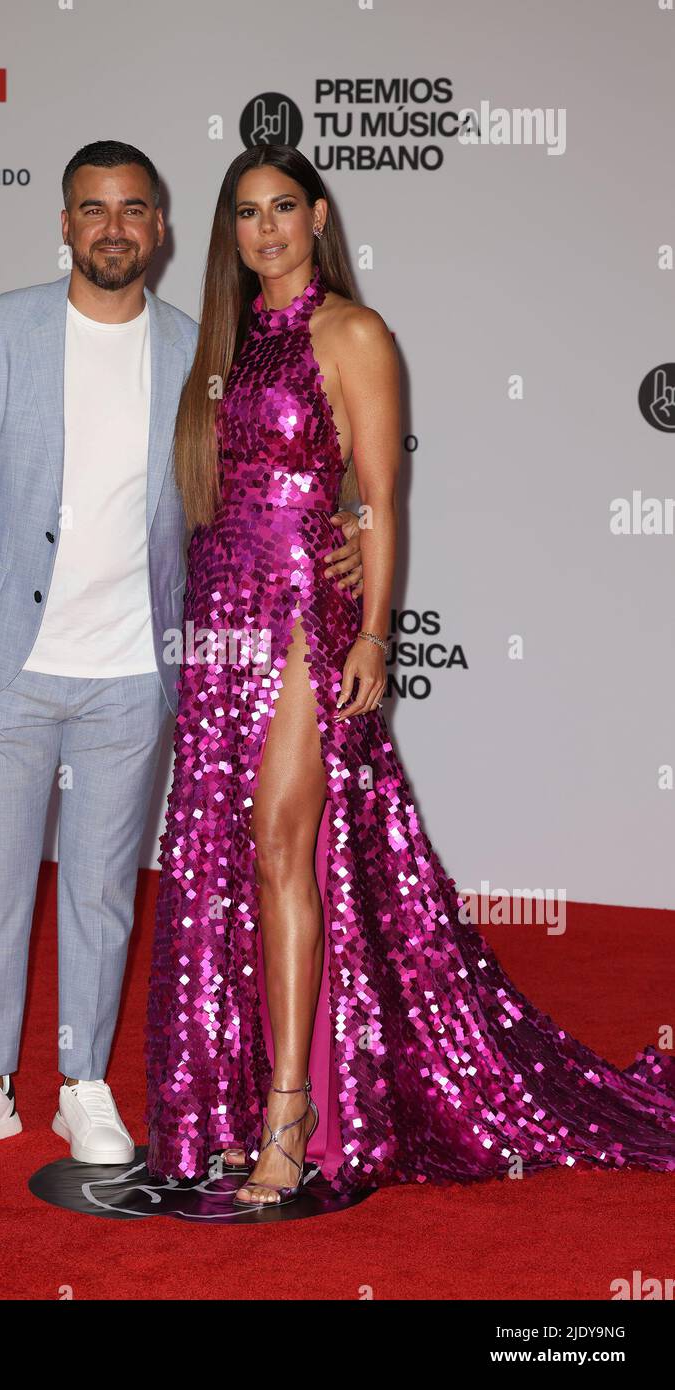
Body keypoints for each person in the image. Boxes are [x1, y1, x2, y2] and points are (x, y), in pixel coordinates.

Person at [143, 143, 675, 1207]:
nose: (267, 231)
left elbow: (381, 496)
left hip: (302, 614)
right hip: (220, 620)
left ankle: (290, 1122)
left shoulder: (353, 332)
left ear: (320, 213)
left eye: (284, 207)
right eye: (246, 214)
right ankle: (230, 1103)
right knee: (230, 858)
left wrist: (374, 635)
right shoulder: (224, 343)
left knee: (282, 847)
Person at [0, 141, 364, 1163]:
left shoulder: (202, 352)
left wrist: (353, 525)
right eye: (91, 209)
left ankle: (81, 1085)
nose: (113, 227)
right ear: (65, 225)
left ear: (159, 230)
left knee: (107, 887)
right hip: (7, 662)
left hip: (135, 668)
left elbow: (253, 483)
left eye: (133, 210)